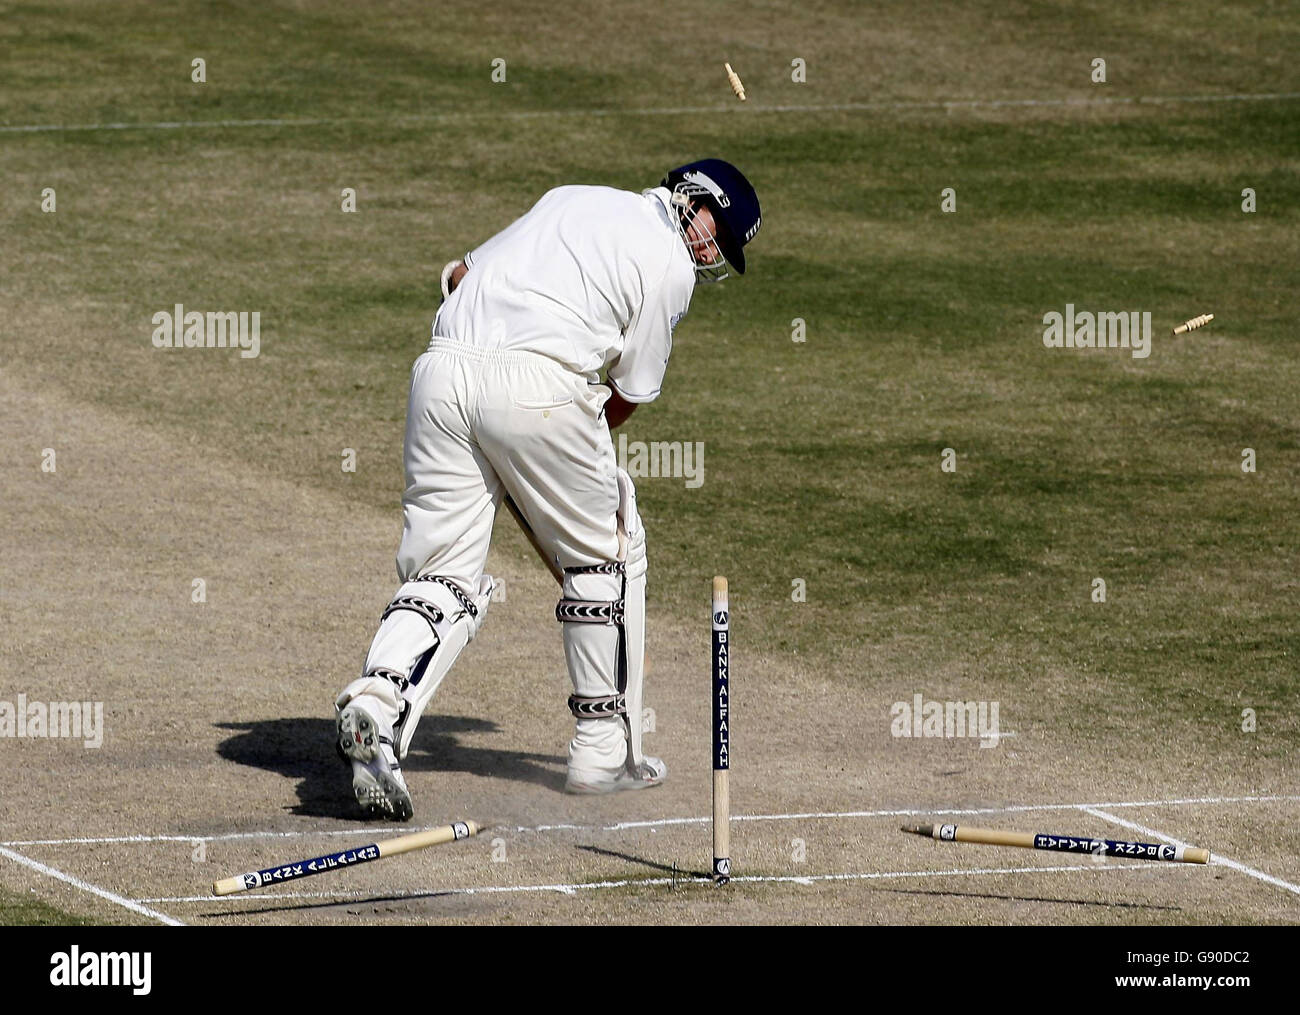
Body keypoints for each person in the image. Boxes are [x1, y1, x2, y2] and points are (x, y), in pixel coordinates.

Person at [333, 159, 762, 819]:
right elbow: (626, 394)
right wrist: (537, 458)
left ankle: (375, 706)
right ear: (691, 197)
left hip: (442, 371)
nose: (710, 250)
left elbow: (457, 277)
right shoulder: (670, 269)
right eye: (715, 230)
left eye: (722, 248)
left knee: (443, 572)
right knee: (609, 548)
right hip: (540, 389)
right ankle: (602, 751)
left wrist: (509, 456)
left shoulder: (573, 197)